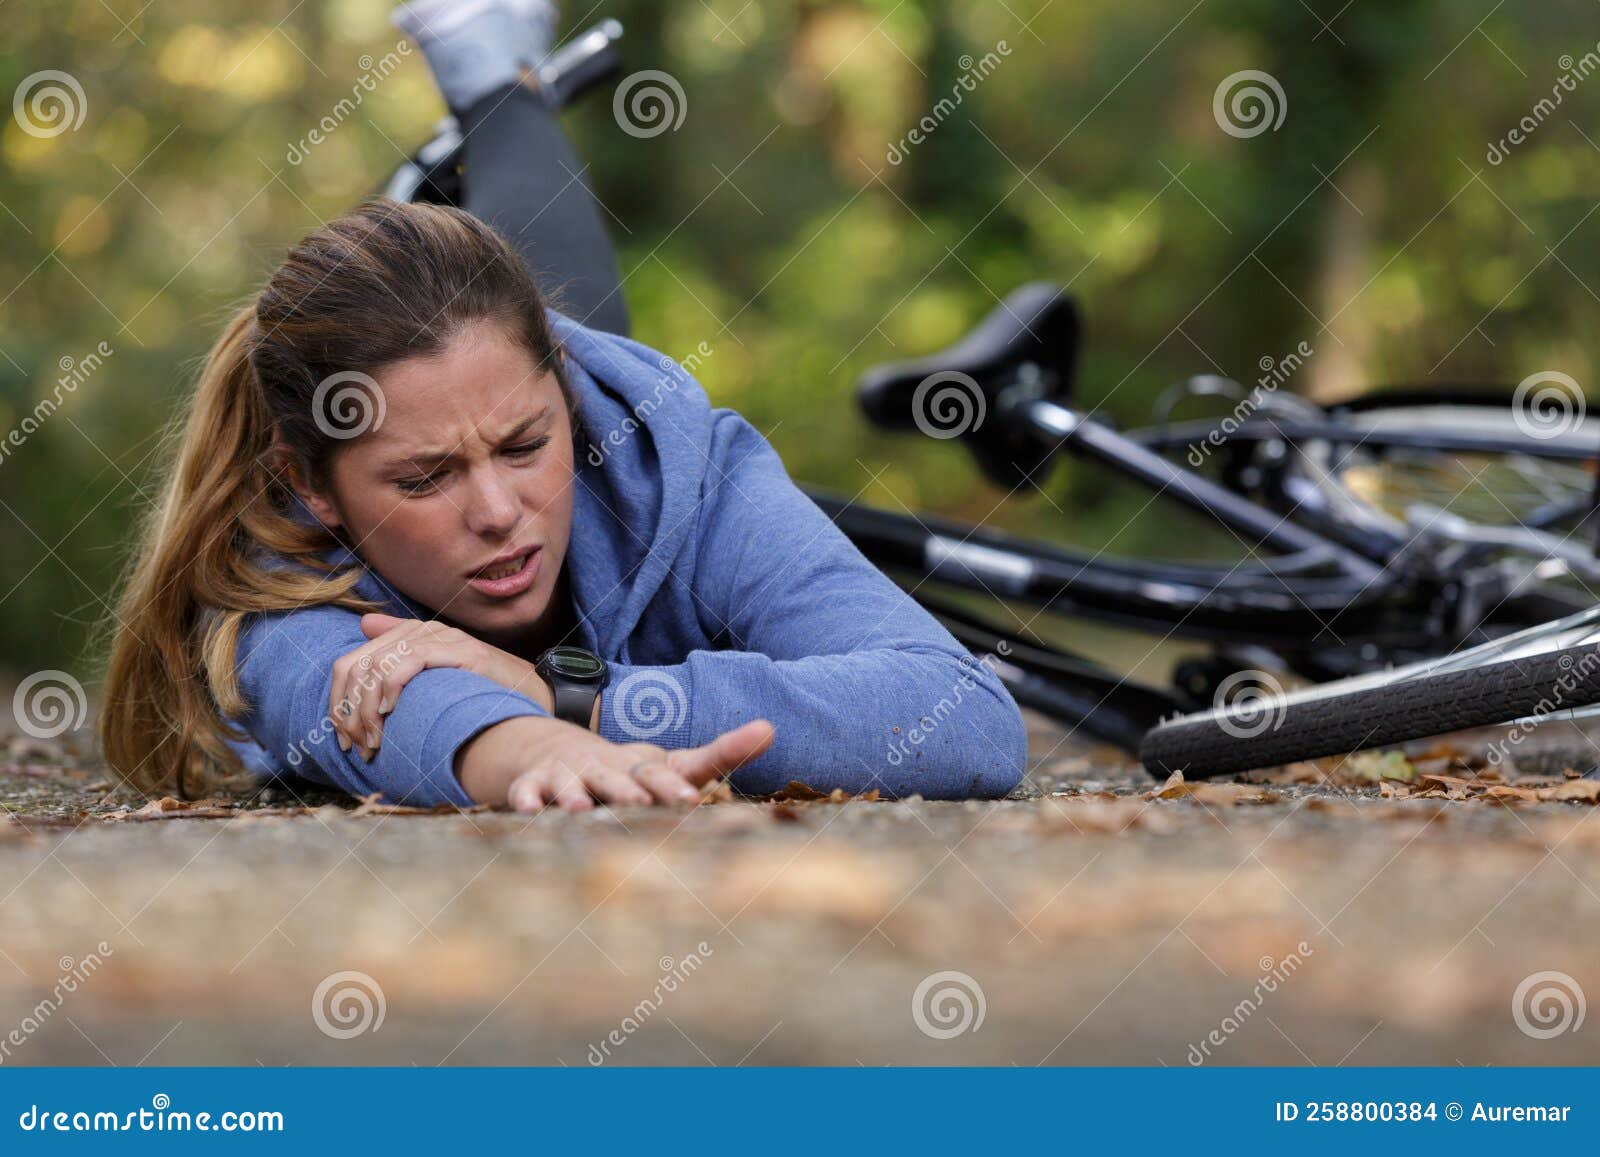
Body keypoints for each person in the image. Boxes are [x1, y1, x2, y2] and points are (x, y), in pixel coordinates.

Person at [97, 1, 1029, 812]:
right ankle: (496, 69)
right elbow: (371, 707)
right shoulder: (275, 574)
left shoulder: (678, 460)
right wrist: (538, 749)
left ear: (571, 400)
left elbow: (965, 718)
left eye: (523, 444)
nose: (499, 514)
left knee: (563, 303)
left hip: (574, 369)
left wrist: (576, 698)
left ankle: (498, 82)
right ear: (314, 489)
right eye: (424, 477)